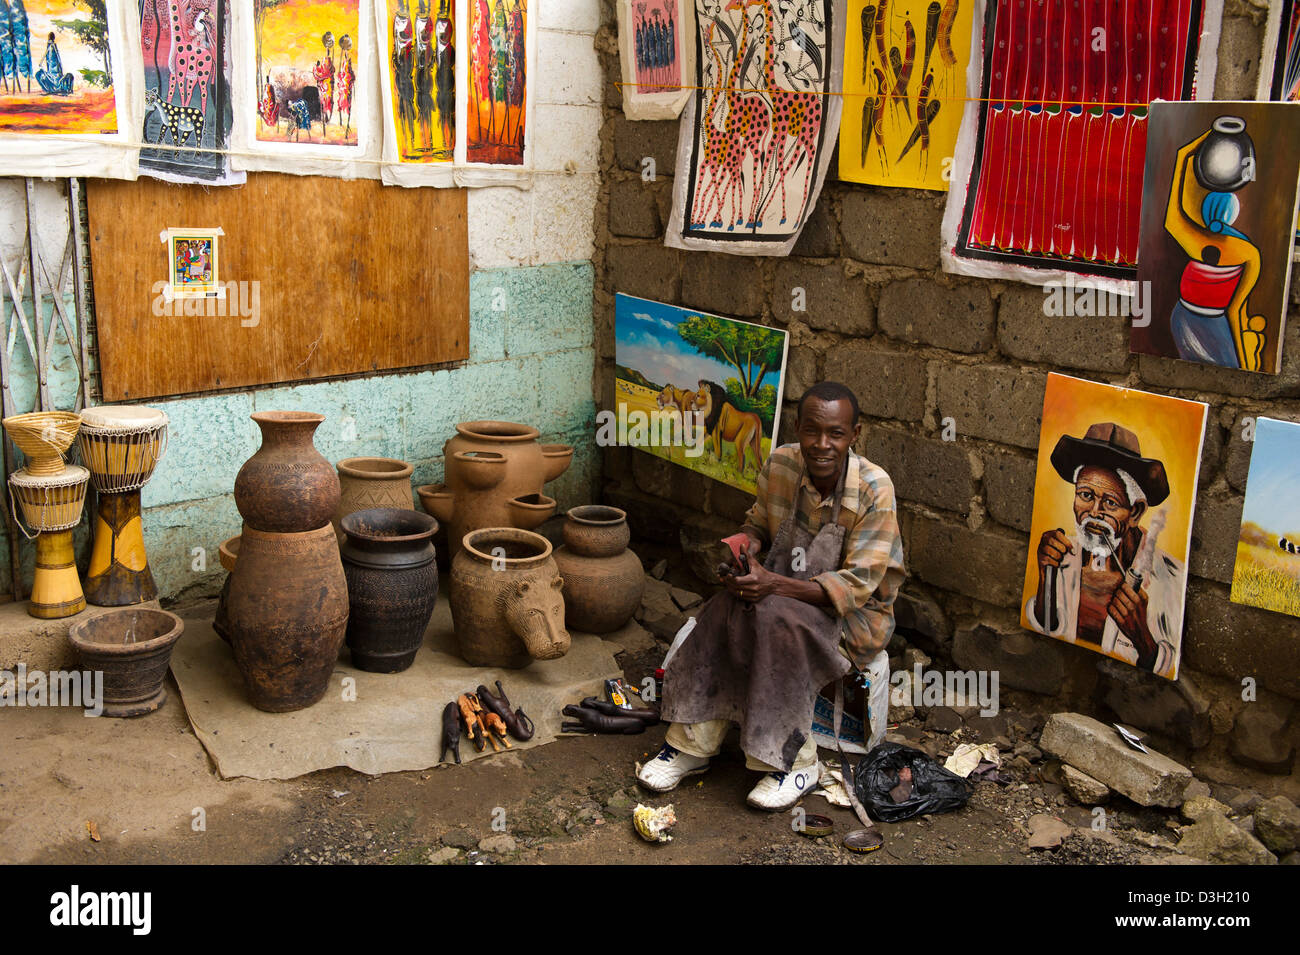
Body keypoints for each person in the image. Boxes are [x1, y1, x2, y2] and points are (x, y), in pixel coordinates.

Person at [637, 381, 905, 811]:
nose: (822, 444)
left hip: (854, 616)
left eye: (835, 434)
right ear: (797, 427)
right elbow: (758, 525)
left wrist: (774, 585)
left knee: (775, 619)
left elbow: (856, 586)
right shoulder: (781, 462)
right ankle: (692, 745)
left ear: (855, 434)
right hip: (782, 592)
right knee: (725, 606)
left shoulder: (875, 488)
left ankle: (793, 764)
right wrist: (744, 549)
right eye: (812, 431)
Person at [1024, 422, 1183, 679]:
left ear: (1135, 512)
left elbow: (1167, 668)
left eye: (1110, 502)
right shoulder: (1061, 555)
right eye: (1085, 495)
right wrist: (1046, 575)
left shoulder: (1171, 578)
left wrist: (1144, 639)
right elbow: (1044, 628)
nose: (1094, 513)